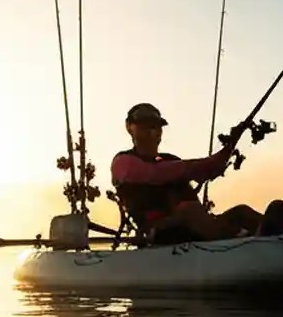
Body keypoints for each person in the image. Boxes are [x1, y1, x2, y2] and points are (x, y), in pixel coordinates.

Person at [111, 103, 269, 243]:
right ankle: (237, 240)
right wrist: (208, 164)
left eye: (156, 126)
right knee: (189, 210)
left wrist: (228, 150)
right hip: (157, 232)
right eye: (145, 126)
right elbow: (156, 174)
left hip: (193, 227)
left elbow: (196, 171)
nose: (153, 131)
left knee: (241, 212)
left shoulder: (170, 160)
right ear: (129, 128)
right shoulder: (123, 162)